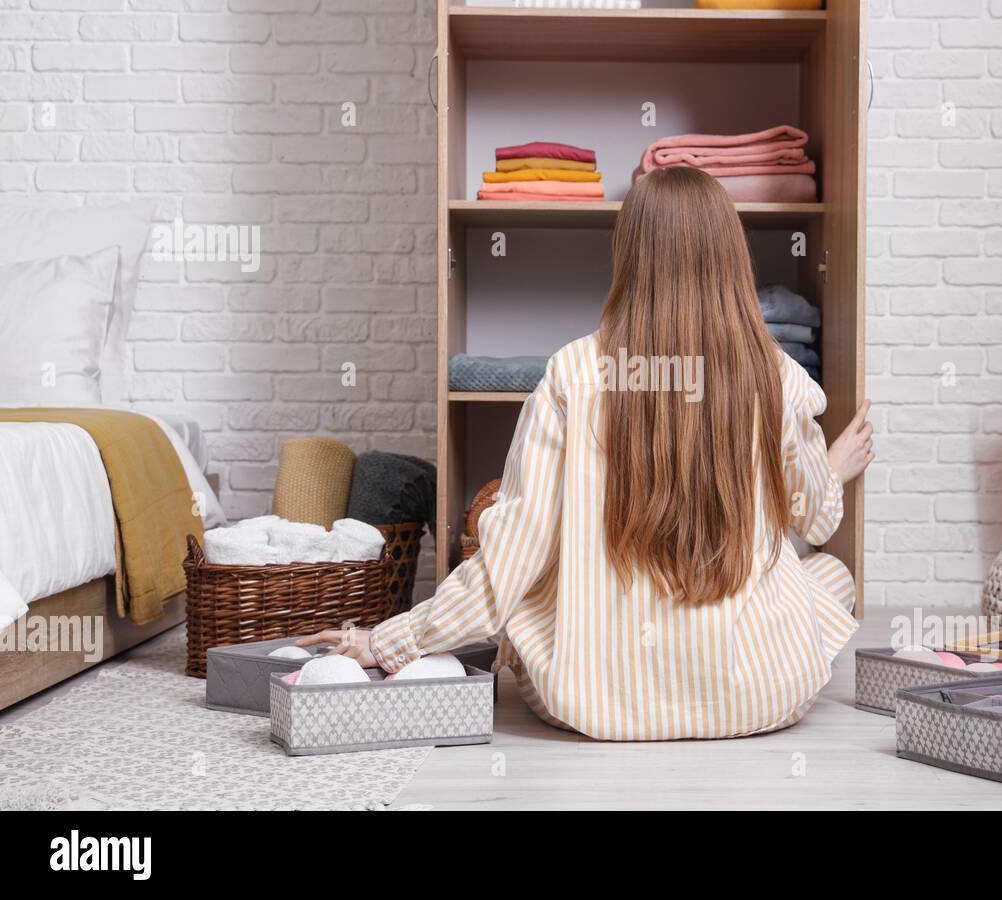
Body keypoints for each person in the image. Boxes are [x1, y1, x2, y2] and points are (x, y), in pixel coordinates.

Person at [300, 166, 874, 740]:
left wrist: (382, 641)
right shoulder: (777, 376)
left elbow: (508, 566)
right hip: (757, 696)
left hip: (592, 702)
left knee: (531, 599)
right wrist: (831, 470)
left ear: (629, 255)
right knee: (829, 574)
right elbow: (816, 518)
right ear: (731, 257)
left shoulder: (574, 372)